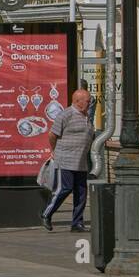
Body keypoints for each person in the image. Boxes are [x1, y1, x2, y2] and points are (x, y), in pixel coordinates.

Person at [41, 89, 94, 233]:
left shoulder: (86, 116)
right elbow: (52, 135)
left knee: (81, 192)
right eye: (88, 101)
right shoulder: (66, 115)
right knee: (65, 188)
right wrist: (54, 151)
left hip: (81, 161)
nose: (90, 103)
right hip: (66, 159)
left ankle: (77, 223)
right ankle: (47, 213)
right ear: (78, 101)